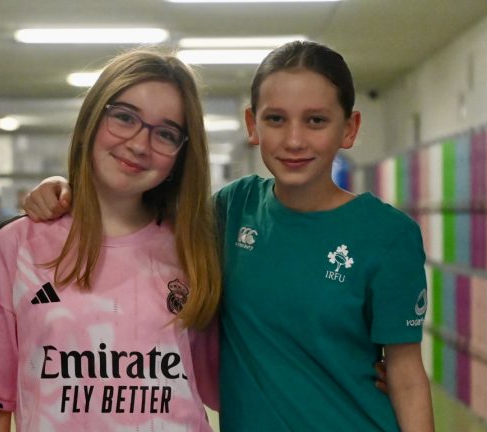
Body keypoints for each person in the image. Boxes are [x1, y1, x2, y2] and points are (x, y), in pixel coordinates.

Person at [24, 41, 434, 431]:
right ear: (252, 124)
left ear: (349, 128)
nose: (294, 139)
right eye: (276, 118)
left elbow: (407, 374)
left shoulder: (388, 236)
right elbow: (139, 215)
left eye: (316, 120)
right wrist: (66, 188)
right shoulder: (232, 210)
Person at [0, 50, 222, 431]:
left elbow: (227, 389)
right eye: (125, 117)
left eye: (165, 133)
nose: (140, 144)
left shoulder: (196, 249)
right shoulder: (18, 246)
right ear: (93, 116)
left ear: (182, 151)